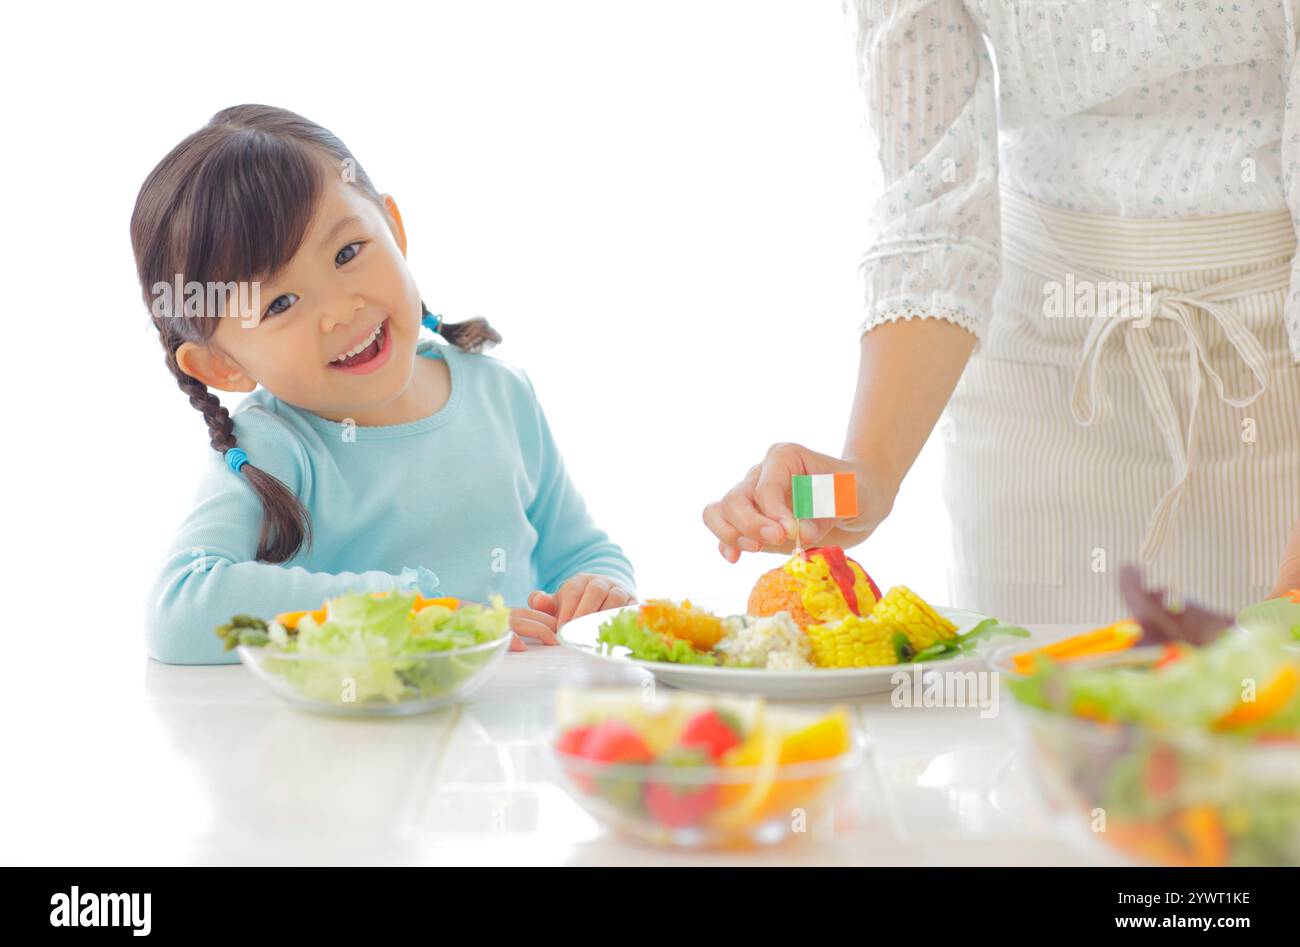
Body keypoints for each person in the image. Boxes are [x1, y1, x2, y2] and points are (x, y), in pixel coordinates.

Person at [704, 0, 1300, 623]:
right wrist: (863, 476)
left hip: (1275, 368)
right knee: (1029, 705)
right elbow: (935, 211)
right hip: (1036, 381)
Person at [135, 105, 635, 664]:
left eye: (348, 253)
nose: (341, 310)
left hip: (514, 732)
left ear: (393, 228)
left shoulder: (503, 396)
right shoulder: (272, 446)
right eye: (279, 303)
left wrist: (599, 591)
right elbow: (178, 614)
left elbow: (580, 553)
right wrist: (409, 612)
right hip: (360, 742)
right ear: (221, 365)